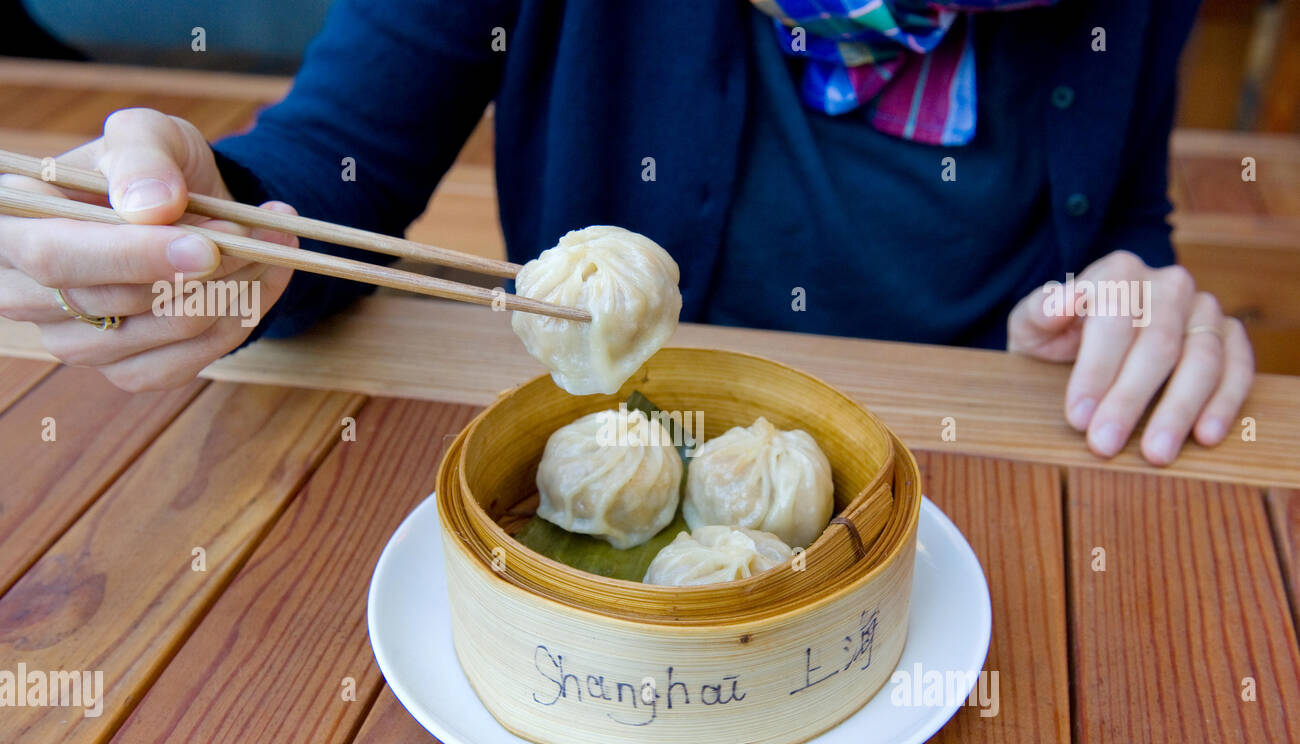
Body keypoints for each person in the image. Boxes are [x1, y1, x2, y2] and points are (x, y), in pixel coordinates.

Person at [0, 0, 1253, 467]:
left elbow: (1120, 226)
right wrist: (198, 228)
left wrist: (1135, 295)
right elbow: (327, 181)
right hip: (601, 483)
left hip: (954, 492)